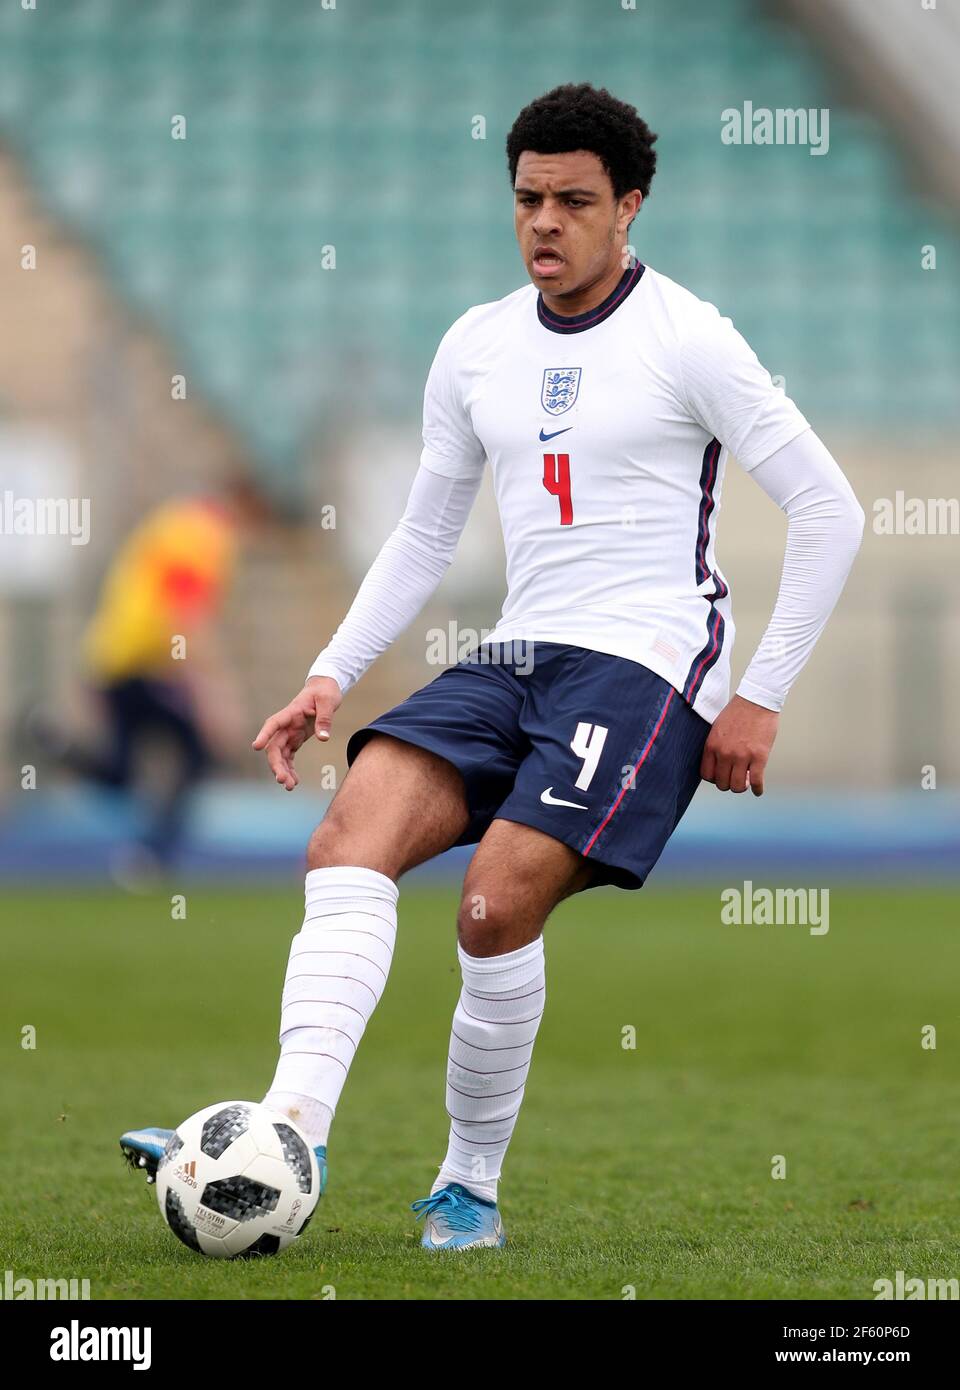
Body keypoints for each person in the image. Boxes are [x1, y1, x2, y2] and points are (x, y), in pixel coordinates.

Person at [121, 85, 863, 1249]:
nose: (545, 222)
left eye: (574, 200)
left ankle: (469, 1184)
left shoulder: (689, 337)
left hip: (643, 661)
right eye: (527, 198)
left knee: (490, 906)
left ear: (630, 206)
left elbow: (831, 508)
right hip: (517, 653)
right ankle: (284, 1132)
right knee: (346, 839)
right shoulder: (476, 344)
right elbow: (424, 534)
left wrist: (758, 692)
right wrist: (327, 673)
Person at [43, 479, 261, 877]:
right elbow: (185, 618)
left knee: (125, 770)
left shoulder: (175, 521)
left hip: (110, 659)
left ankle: (59, 744)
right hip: (142, 665)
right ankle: (152, 855)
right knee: (198, 751)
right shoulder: (204, 536)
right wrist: (215, 698)